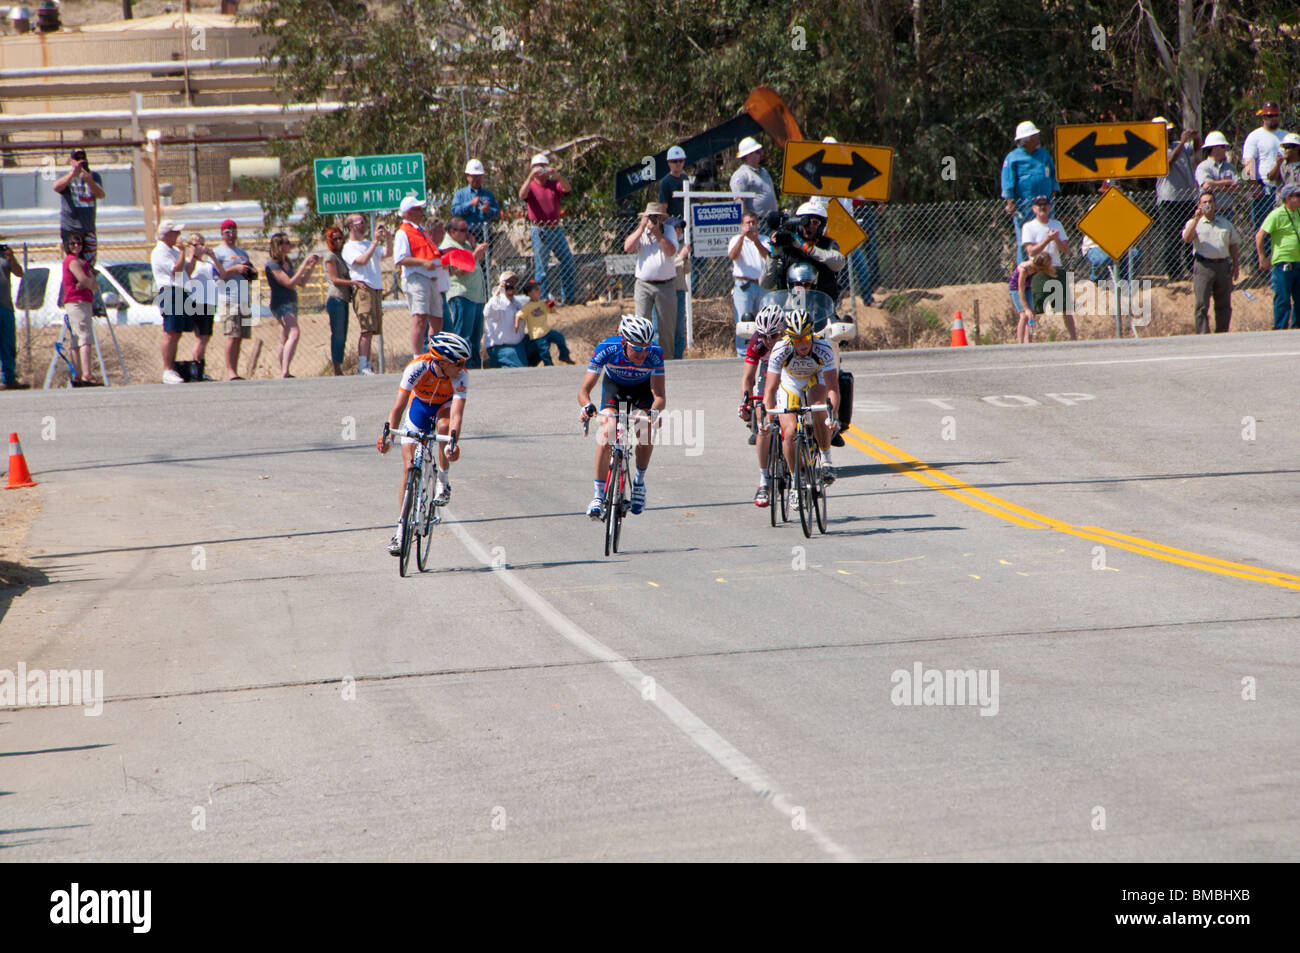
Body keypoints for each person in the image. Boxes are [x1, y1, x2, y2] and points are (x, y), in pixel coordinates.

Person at [377, 331, 470, 555]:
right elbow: (398, 407)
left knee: (444, 428)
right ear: (443, 362)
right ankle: (400, 531)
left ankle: (443, 481)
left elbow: (457, 414)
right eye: (459, 362)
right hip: (418, 408)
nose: (463, 366)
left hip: (443, 408)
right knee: (409, 469)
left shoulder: (461, 376)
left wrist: (452, 444)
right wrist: (389, 437)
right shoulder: (417, 367)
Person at [577, 314, 665, 518]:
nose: (643, 353)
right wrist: (587, 405)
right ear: (624, 341)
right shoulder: (607, 349)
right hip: (614, 390)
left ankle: (639, 482)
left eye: (646, 347)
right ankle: (598, 496)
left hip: (642, 391)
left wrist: (653, 412)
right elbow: (583, 391)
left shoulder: (655, 355)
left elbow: (659, 396)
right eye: (637, 348)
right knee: (607, 431)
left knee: (645, 429)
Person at [762, 308, 838, 510]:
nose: (802, 344)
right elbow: (769, 390)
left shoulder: (824, 348)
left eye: (805, 338)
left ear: (812, 333)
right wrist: (767, 421)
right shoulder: (780, 349)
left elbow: (832, 389)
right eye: (796, 340)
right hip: (791, 382)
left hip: (816, 378)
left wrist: (833, 416)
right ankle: (796, 483)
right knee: (789, 432)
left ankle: (826, 459)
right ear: (789, 338)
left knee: (818, 408)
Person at [739, 303, 787, 505]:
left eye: (774, 336)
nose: (768, 341)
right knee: (763, 423)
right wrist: (745, 403)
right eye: (764, 336)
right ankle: (763, 481)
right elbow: (748, 377)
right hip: (768, 372)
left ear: (783, 331)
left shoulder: (791, 340)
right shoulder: (758, 342)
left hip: (790, 372)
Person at [1181, 190, 1241, 334]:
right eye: (1204, 202)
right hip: (1204, 266)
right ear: (1199, 205)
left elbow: (1233, 244)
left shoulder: (1225, 223)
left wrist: (1236, 265)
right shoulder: (1194, 223)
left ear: (1215, 205)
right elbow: (1187, 239)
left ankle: (1222, 332)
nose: (1208, 205)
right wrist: (1196, 219)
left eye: (1210, 202)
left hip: (1222, 265)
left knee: (1224, 303)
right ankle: (1202, 334)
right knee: (1202, 303)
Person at [519, 153, 576, 304]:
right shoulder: (530, 186)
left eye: (543, 167)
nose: (541, 171)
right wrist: (530, 177)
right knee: (542, 268)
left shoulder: (553, 185)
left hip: (555, 229)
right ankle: (542, 300)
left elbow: (567, 188)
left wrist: (557, 175)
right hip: (540, 231)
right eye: (537, 167)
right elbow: (521, 195)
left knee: (568, 261)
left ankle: (568, 298)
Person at [760, 201, 845, 301]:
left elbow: (839, 262)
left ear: (822, 226)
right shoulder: (787, 246)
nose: (809, 226)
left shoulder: (827, 244)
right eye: (804, 221)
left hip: (821, 308)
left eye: (814, 222)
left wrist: (806, 248)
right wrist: (774, 255)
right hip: (789, 308)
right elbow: (765, 284)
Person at [625, 201, 679, 359]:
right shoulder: (640, 232)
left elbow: (671, 252)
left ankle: (667, 361)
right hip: (644, 284)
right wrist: (641, 228)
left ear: (661, 219)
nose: (653, 220)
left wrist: (657, 233)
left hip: (666, 285)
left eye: (656, 217)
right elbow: (627, 248)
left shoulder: (668, 231)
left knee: (666, 327)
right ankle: (639, 359)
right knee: (641, 324)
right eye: (650, 217)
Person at [1020, 195, 1077, 340]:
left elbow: (1065, 250)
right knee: (1035, 308)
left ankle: (1074, 339)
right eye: (1039, 205)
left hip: (1056, 268)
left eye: (1045, 204)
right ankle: (1029, 340)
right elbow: (1031, 251)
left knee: (1066, 307)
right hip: (1038, 270)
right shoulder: (1029, 227)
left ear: (1050, 207)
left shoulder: (1056, 225)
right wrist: (1047, 240)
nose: (1042, 207)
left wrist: (1056, 239)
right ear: (1034, 209)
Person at [1001, 121, 1059, 265]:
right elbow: (1007, 180)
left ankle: (1046, 270)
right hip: (1024, 206)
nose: (1038, 138)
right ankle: (1025, 272)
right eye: (1034, 136)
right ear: (1026, 139)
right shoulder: (1013, 157)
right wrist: (1010, 201)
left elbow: (1052, 173)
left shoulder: (1044, 155)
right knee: (1025, 240)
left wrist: (1053, 191)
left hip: (1045, 204)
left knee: (1047, 236)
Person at [392, 195, 444, 357]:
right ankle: (417, 357)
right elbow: (400, 259)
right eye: (417, 209)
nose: (421, 212)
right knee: (420, 318)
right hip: (416, 279)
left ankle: (433, 354)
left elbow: (428, 252)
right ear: (408, 212)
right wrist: (423, 263)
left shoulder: (420, 230)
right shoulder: (403, 232)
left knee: (437, 318)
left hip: (431, 279)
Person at [265, 232, 320, 378]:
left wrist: (311, 266)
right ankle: (285, 371)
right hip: (281, 303)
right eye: (286, 242)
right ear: (279, 245)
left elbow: (301, 282)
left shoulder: (287, 263)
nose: (289, 245)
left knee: (285, 336)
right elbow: (288, 283)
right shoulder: (272, 264)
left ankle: (283, 368)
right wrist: (304, 263)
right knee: (294, 332)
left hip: (292, 301)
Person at [342, 214, 389, 376]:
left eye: (363, 222)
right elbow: (361, 261)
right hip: (363, 289)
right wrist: (375, 242)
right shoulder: (349, 247)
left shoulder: (368, 243)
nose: (363, 225)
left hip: (375, 288)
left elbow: (386, 253)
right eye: (359, 223)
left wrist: (387, 237)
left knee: (373, 328)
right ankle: (363, 366)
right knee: (366, 329)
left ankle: (367, 364)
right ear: (350, 226)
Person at [440, 216, 490, 369]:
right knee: (463, 337)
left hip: (476, 296)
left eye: (468, 230)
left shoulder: (465, 244)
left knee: (475, 338)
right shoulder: (449, 246)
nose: (466, 233)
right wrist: (475, 254)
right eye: (462, 231)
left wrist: (473, 248)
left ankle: (473, 369)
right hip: (462, 296)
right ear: (452, 231)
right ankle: (460, 370)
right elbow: (460, 271)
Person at [1153, 118, 1199, 281]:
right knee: (1171, 237)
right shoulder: (1156, 148)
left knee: (1190, 233)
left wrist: (1195, 138)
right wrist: (1183, 141)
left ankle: (1191, 268)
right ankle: (1174, 272)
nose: (1170, 134)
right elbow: (1169, 161)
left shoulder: (1178, 145)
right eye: (1167, 131)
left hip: (1188, 197)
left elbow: (1195, 149)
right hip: (1170, 199)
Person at [211, 220, 257, 380]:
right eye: (227, 232)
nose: (231, 235)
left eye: (233, 231)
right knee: (232, 334)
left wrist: (250, 271)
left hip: (244, 297)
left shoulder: (242, 253)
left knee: (239, 336)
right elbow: (219, 275)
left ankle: (235, 371)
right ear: (222, 234)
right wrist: (235, 269)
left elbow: (250, 275)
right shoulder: (218, 253)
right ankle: (230, 371)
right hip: (229, 298)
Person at [152, 219, 193, 385]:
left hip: (181, 290)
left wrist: (192, 255)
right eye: (175, 232)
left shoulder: (174, 251)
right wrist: (182, 251)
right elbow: (175, 270)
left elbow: (186, 270)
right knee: (170, 330)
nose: (179, 235)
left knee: (177, 331)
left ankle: (173, 367)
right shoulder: (160, 251)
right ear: (166, 234)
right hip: (169, 291)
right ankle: (167, 369)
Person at [1243, 101, 1289, 249]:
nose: (1273, 118)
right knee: (1262, 229)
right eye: (1270, 116)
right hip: (1264, 190)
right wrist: (1254, 184)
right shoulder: (1255, 136)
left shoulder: (1286, 136)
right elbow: (1249, 162)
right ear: (1263, 117)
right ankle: (1258, 267)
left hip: (1285, 189)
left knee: (1283, 229)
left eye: (1276, 115)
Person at [1255, 183, 1300, 330]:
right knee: (1282, 297)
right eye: (1297, 196)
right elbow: (1260, 235)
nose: (1299, 199)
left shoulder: (1298, 212)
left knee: (1299, 298)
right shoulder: (1276, 214)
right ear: (1288, 198)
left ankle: (1296, 327)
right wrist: (1262, 256)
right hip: (1283, 262)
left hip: (1298, 261)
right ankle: (1280, 328)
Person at [323, 225, 365, 376]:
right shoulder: (331, 257)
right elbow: (335, 279)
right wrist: (353, 283)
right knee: (338, 334)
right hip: (336, 298)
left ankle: (338, 365)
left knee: (343, 333)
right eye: (335, 238)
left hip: (344, 299)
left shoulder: (342, 255)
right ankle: (336, 368)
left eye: (340, 237)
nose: (339, 240)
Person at [60, 233, 101, 386]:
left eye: (79, 244)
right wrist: (86, 281)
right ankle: (86, 374)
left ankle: (78, 374)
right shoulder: (72, 261)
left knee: (79, 337)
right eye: (73, 244)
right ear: (67, 246)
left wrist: (87, 282)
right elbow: (83, 279)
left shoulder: (82, 261)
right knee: (84, 338)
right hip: (76, 301)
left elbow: (94, 284)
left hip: (84, 300)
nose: (76, 247)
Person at [52, 149, 104, 264]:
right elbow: (56, 187)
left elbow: (101, 195)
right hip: (71, 228)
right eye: (77, 159)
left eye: (83, 158)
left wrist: (89, 181)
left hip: (88, 227)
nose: (80, 161)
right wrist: (72, 174)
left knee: (89, 264)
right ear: (71, 161)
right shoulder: (65, 176)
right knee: (74, 263)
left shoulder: (94, 176)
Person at [729, 211, 770, 356]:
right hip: (744, 285)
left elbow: (768, 258)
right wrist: (743, 237)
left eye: (753, 222)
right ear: (742, 225)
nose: (751, 225)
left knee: (764, 322)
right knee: (744, 322)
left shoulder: (764, 240)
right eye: (748, 223)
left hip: (762, 285)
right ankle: (742, 354)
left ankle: (763, 352)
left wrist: (756, 241)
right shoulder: (736, 239)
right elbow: (733, 256)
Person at [183, 232, 219, 379]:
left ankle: (200, 369)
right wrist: (193, 255)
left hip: (209, 301)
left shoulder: (208, 264)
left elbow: (220, 274)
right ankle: (195, 369)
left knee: (205, 337)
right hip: (197, 301)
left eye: (201, 244)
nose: (199, 247)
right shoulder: (188, 261)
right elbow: (188, 273)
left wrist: (213, 256)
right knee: (201, 338)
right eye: (195, 244)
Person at [519, 278, 573, 365]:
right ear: (529, 293)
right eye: (536, 290)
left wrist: (551, 305)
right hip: (537, 334)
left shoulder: (542, 303)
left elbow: (552, 311)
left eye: (539, 289)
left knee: (559, 338)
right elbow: (519, 315)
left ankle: (564, 355)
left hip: (547, 331)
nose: (539, 291)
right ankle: (548, 364)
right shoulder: (528, 307)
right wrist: (516, 324)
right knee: (544, 350)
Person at [482, 270, 529, 367]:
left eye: (513, 283)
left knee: (539, 342)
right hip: (501, 347)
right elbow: (487, 312)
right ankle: (495, 363)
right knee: (521, 369)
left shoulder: (517, 303)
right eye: (508, 283)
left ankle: (504, 366)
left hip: (518, 345)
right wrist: (498, 291)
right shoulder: (498, 302)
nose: (511, 285)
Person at [451, 158, 501, 246]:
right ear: (467, 176)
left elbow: (497, 213)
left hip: (485, 234)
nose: (476, 179)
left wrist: (489, 211)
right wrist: (470, 204)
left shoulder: (488, 195)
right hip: (466, 234)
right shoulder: (460, 194)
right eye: (473, 176)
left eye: (478, 176)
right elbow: (455, 211)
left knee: (485, 258)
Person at [1009, 252, 1056, 344]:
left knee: (1032, 315)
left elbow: (1050, 273)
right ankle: (1020, 343)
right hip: (1016, 289)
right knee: (1024, 315)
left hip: (1028, 288)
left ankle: (1029, 342)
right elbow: (1020, 290)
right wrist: (1026, 308)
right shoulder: (1024, 269)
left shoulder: (1037, 268)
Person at [729, 136, 778, 223]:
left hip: (772, 220)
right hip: (757, 222)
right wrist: (749, 221)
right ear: (749, 155)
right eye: (757, 152)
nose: (761, 154)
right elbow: (739, 200)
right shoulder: (741, 174)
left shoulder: (763, 171)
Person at [0, 239, 28, 389]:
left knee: (8, 343)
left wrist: (11, 259)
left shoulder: (5, 253)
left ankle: (9, 378)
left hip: (5, 304)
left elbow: (19, 273)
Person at [1195, 132, 1241, 217]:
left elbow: (1237, 188)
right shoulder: (1203, 167)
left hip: (1228, 212)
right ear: (1214, 148)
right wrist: (1227, 182)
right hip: (1207, 212)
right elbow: (1207, 186)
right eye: (1223, 147)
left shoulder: (1230, 167)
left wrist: (1215, 186)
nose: (1225, 150)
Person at [657, 144, 689, 220]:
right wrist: (674, 224)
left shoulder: (685, 178)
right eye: (674, 161)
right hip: (671, 224)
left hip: (685, 221)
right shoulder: (665, 183)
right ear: (669, 163)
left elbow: (689, 202)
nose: (678, 164)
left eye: (680, 161)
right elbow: (663, 209)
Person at [1267, 133, 1300, 199]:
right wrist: (1278, 164)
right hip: (1283, 204)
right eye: (1283, 147)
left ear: (1297, 148)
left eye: (1287, 147)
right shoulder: (1281, 164)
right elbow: (1271, 178)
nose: (1284, 150)